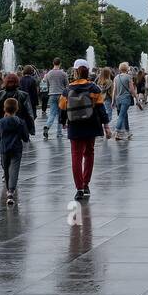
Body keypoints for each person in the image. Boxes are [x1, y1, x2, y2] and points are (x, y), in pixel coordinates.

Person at [60, 59, 109, 200]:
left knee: (76, 156)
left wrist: (63, 122)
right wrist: (106, 125)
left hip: (74, 125)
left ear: (75, 72)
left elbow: (62, 108)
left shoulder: (67, 90)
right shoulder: (94, 88)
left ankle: (79, 188)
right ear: (88, 71)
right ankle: (86, 184)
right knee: (89, 153)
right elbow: (100, 108)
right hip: (91, 123)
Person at [0, 97, 30, 206]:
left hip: (4, 148)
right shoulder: (20, 122)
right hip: (16, 148)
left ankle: (8, 188)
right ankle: (11, 191)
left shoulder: (1, 122)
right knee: (14, 170)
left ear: (4, 109)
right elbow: (25, 137)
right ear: (17, 108)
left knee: (6, 169)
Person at [0, 72, 37, 141]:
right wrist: (31, 129)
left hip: (3, 125)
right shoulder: (24, 95)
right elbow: (29, 113)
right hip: (18, 125)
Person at [44, 58, 69, 139]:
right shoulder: (63, 73)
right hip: (61, 95)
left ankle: (47, 126)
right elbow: (67, 85)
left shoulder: (48, 74)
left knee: (52, 113)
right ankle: (59, 133)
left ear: (53, 63)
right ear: (60, 63)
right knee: (60, 114)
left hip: (52, 94)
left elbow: (47, 85)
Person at [113, 62, 136, 140]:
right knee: (122, 115)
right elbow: (132, 90)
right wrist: (137, 99)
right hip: (125, 99)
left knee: (124, 115)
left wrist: (113, 101)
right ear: (127, 69)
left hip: (118, 99)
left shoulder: (116, 77)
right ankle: (117, 132)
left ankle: (127, 131)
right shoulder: (128, 77)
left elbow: (114, 90)